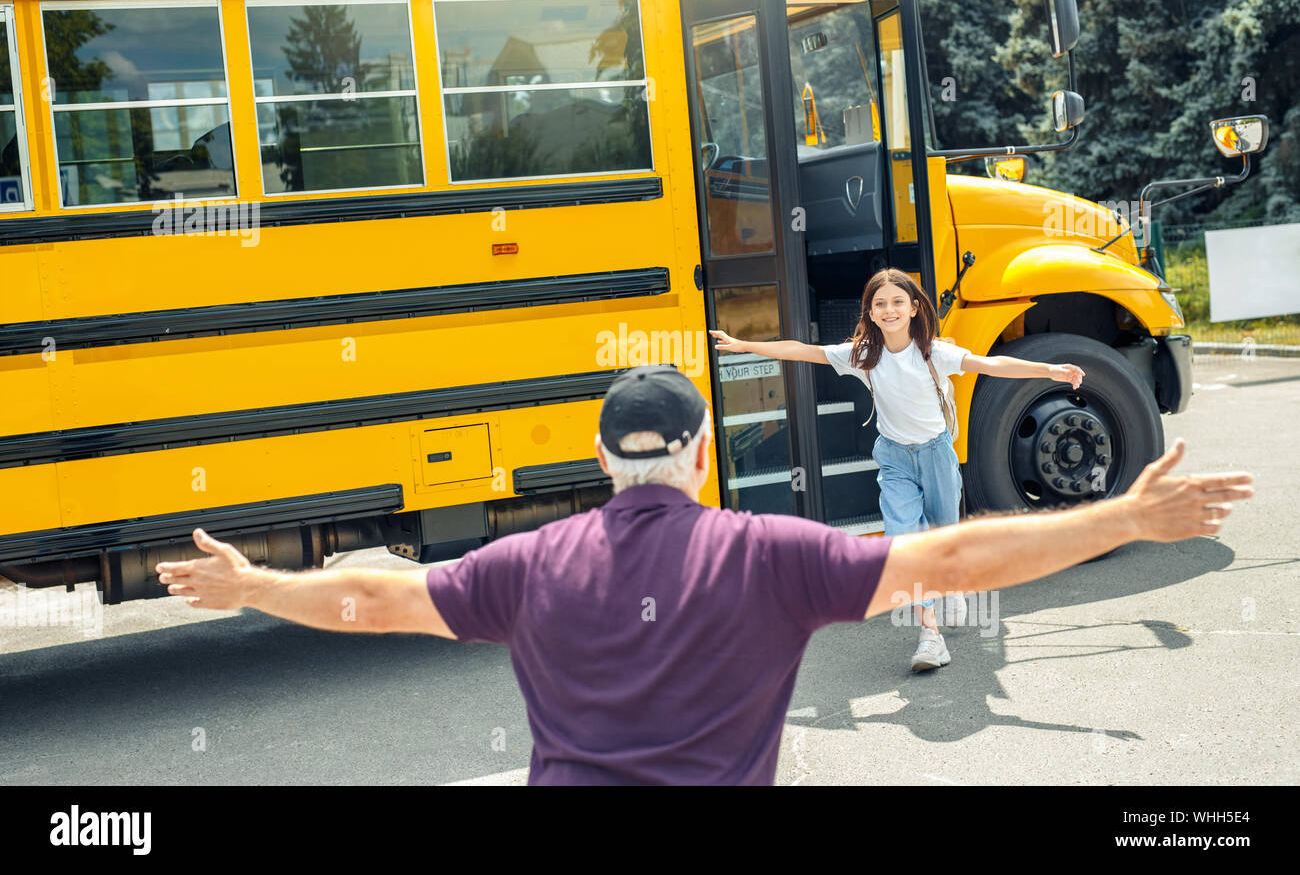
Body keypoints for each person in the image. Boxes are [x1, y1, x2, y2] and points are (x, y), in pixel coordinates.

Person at [155, 366, 1251, 786]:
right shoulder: (767, 555)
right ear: (699, 455)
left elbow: (377, 597)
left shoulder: (527, 563)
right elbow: (952, 556)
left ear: (597, 458)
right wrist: (1124, 516)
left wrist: (253, 584)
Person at [709, 268, 1087, 672]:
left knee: (944, 534)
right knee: (905, 544)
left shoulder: (933, 354)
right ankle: (931, 637)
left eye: (896, 302)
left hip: (936, 454)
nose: (888, 310)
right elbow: (805, 351)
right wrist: (743, 344)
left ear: (913, 308)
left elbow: (991, 364)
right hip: (893, 458)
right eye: (880, 304)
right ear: (870, 313)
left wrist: (1049, 371)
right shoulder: (863, 355)